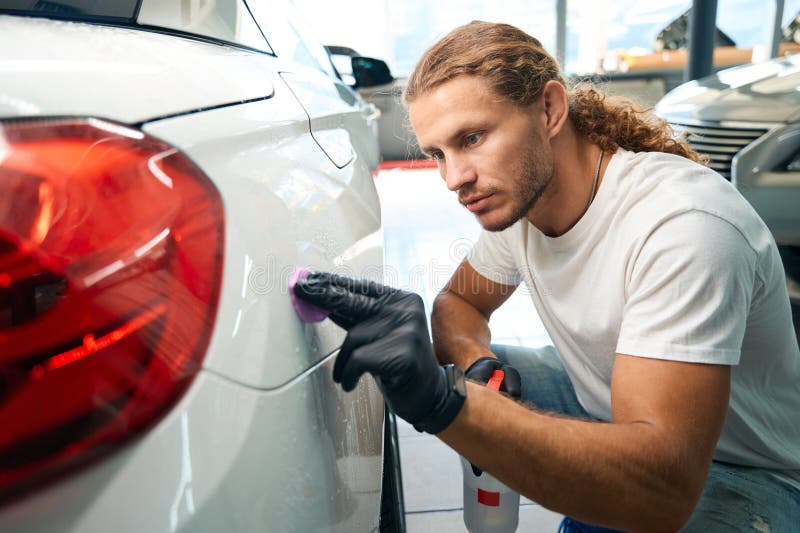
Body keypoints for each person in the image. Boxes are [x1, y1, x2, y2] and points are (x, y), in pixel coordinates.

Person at [294, 21, 800, 532]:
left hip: (742, 470)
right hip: (613, 404)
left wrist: (449, 404)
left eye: (472, 138)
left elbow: (665, 493)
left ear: (550, 110)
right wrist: (478, 370)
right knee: (493, 376)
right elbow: (460, 305)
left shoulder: (683, 227)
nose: (454, 179)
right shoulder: (520, 202)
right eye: (438, 154)